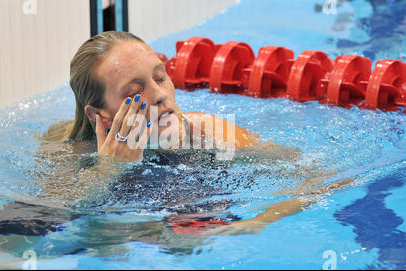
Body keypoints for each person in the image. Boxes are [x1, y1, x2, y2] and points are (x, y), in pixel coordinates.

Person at [33, 30, 351, 235]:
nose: (159, 94)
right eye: (135, 90)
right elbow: (2, 245)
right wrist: (108, 170)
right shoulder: (66, 152)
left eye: (161, 77)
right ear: (98, 114)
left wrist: (258, 222)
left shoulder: (206, 133)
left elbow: (326, 175)